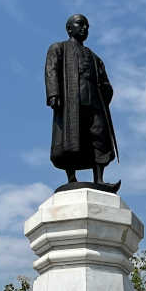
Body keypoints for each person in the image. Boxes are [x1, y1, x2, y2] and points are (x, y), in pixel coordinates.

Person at [45, 14, 119, 190]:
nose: (84, 28)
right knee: (71, 138)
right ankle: (72, 177)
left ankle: (99, 178)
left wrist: (105, 93)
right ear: (70, 28)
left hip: (94, 102)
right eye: (80, 24)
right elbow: (51, 69)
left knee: (99, 137)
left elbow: (105, 82)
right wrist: (53, 93)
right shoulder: (59, 48)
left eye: (87, 25)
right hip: (71, 102)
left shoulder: (94, 57)